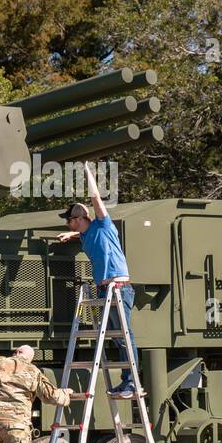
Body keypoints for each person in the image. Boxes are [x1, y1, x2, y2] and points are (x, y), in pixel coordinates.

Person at [54, 162, 138, 399]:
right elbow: (82, 233)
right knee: (115, 339)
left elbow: (95, 199)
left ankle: (132, 383)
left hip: (119, 288)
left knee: (124, 335)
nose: (67, 223)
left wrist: (87, 172)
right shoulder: (84, 234)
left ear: (78, 218)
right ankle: (125, 382)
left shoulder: (103, 225)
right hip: (105, 291)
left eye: (69, 221)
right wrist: (71, 234)